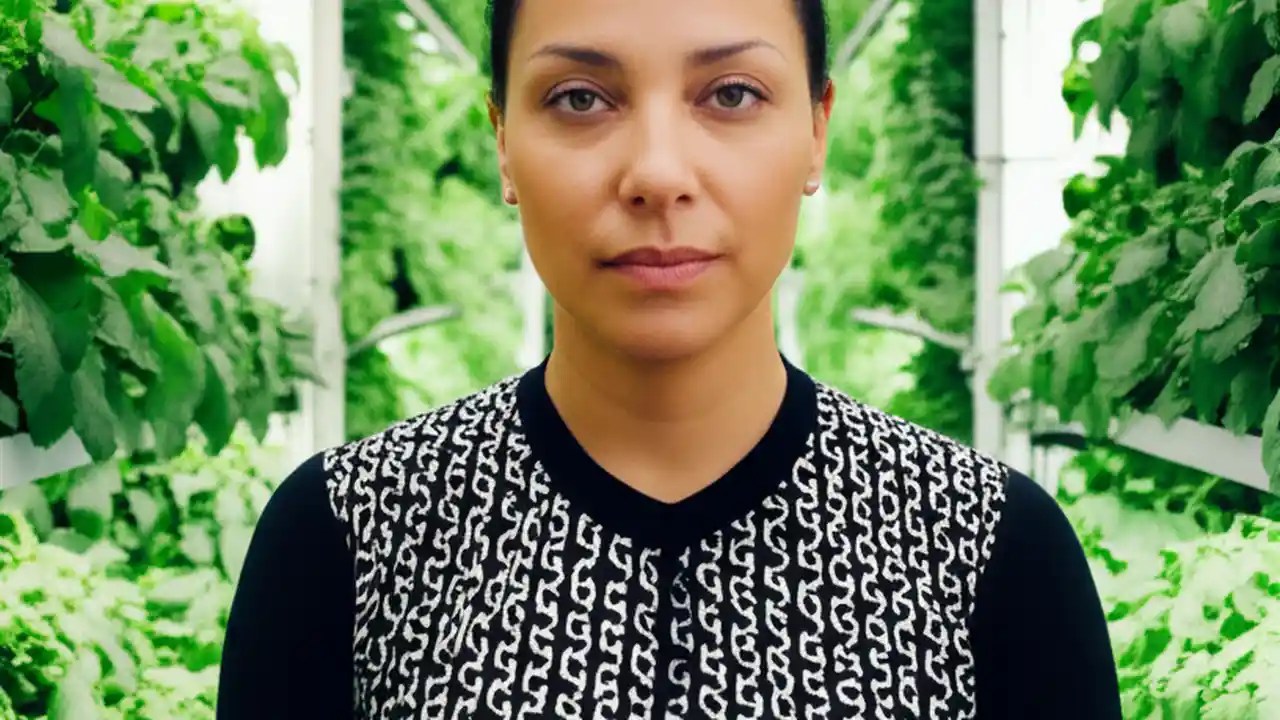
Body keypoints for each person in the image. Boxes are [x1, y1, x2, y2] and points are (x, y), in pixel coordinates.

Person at [216, 0, 1123, 717]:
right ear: (503, 142)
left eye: (731, 94)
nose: (657, 173)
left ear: (817, 130)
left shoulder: (988, 549)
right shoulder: (349, 534)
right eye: (580, 98)